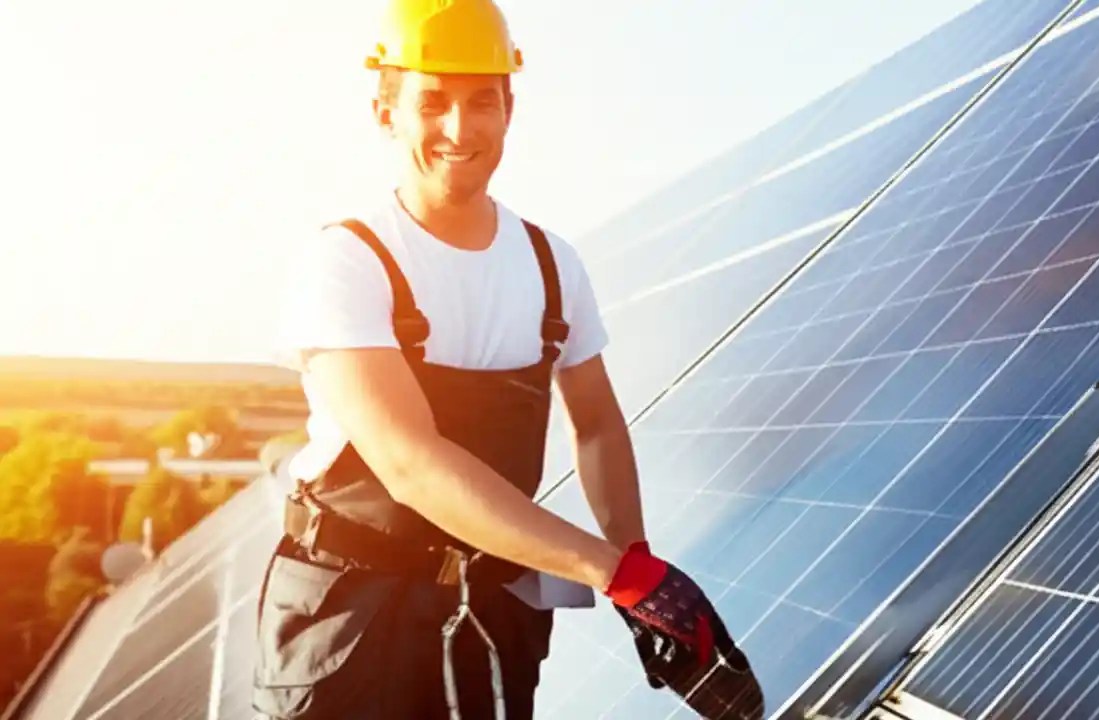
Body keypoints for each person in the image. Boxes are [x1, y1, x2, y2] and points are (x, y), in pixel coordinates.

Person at [251, 0, 762, 718]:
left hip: (489, 620)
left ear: (509, 109)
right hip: (350, 622)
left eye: (481, 103)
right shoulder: (349, 261)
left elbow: (597, 426)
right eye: (432, 103)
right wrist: (617, 573)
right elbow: (409, 464)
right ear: (384, 110)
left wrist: (640, 573)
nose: (460, 129)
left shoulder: (553, 266)